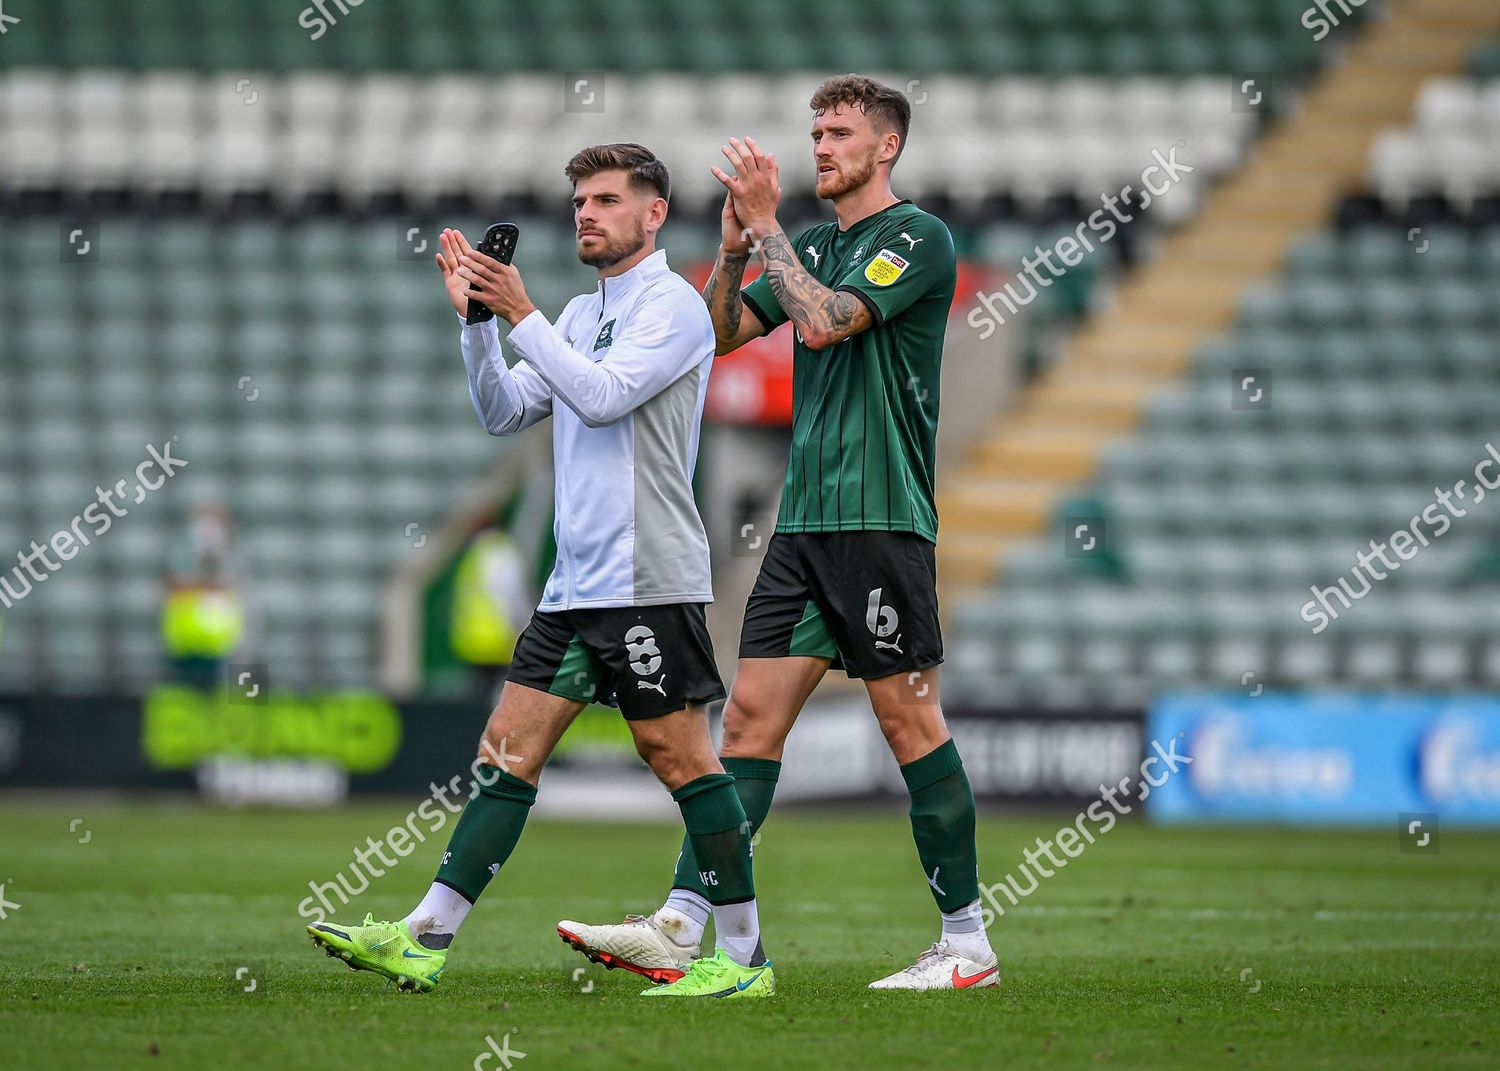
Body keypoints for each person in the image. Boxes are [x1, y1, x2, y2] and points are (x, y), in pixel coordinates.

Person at [558, 77, 999, 991]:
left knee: (908, 721)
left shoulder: (916, 237)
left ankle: (967, 943)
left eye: (839, 132)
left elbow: (830, 322)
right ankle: (686, 921)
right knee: (750, 721)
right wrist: (728, 254)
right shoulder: (817, 243)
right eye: (816, 131)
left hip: (881, 518)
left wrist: (766, 230)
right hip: (803, 525)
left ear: (888, 148)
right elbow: (721, 334)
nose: (822, 145)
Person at [306, 143, 774, 999]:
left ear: (654, 214)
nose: (586, 215)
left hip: (647, 580)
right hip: (575, 586)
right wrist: (480, 322)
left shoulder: (675, 309)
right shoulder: (574, 311)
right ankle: (426, 933)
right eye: (579, 203)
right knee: (504, 752)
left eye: (605, 200)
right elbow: (502, 410)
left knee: (681, 761)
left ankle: (744, 958)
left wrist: (520, 311)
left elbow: (599, 396)